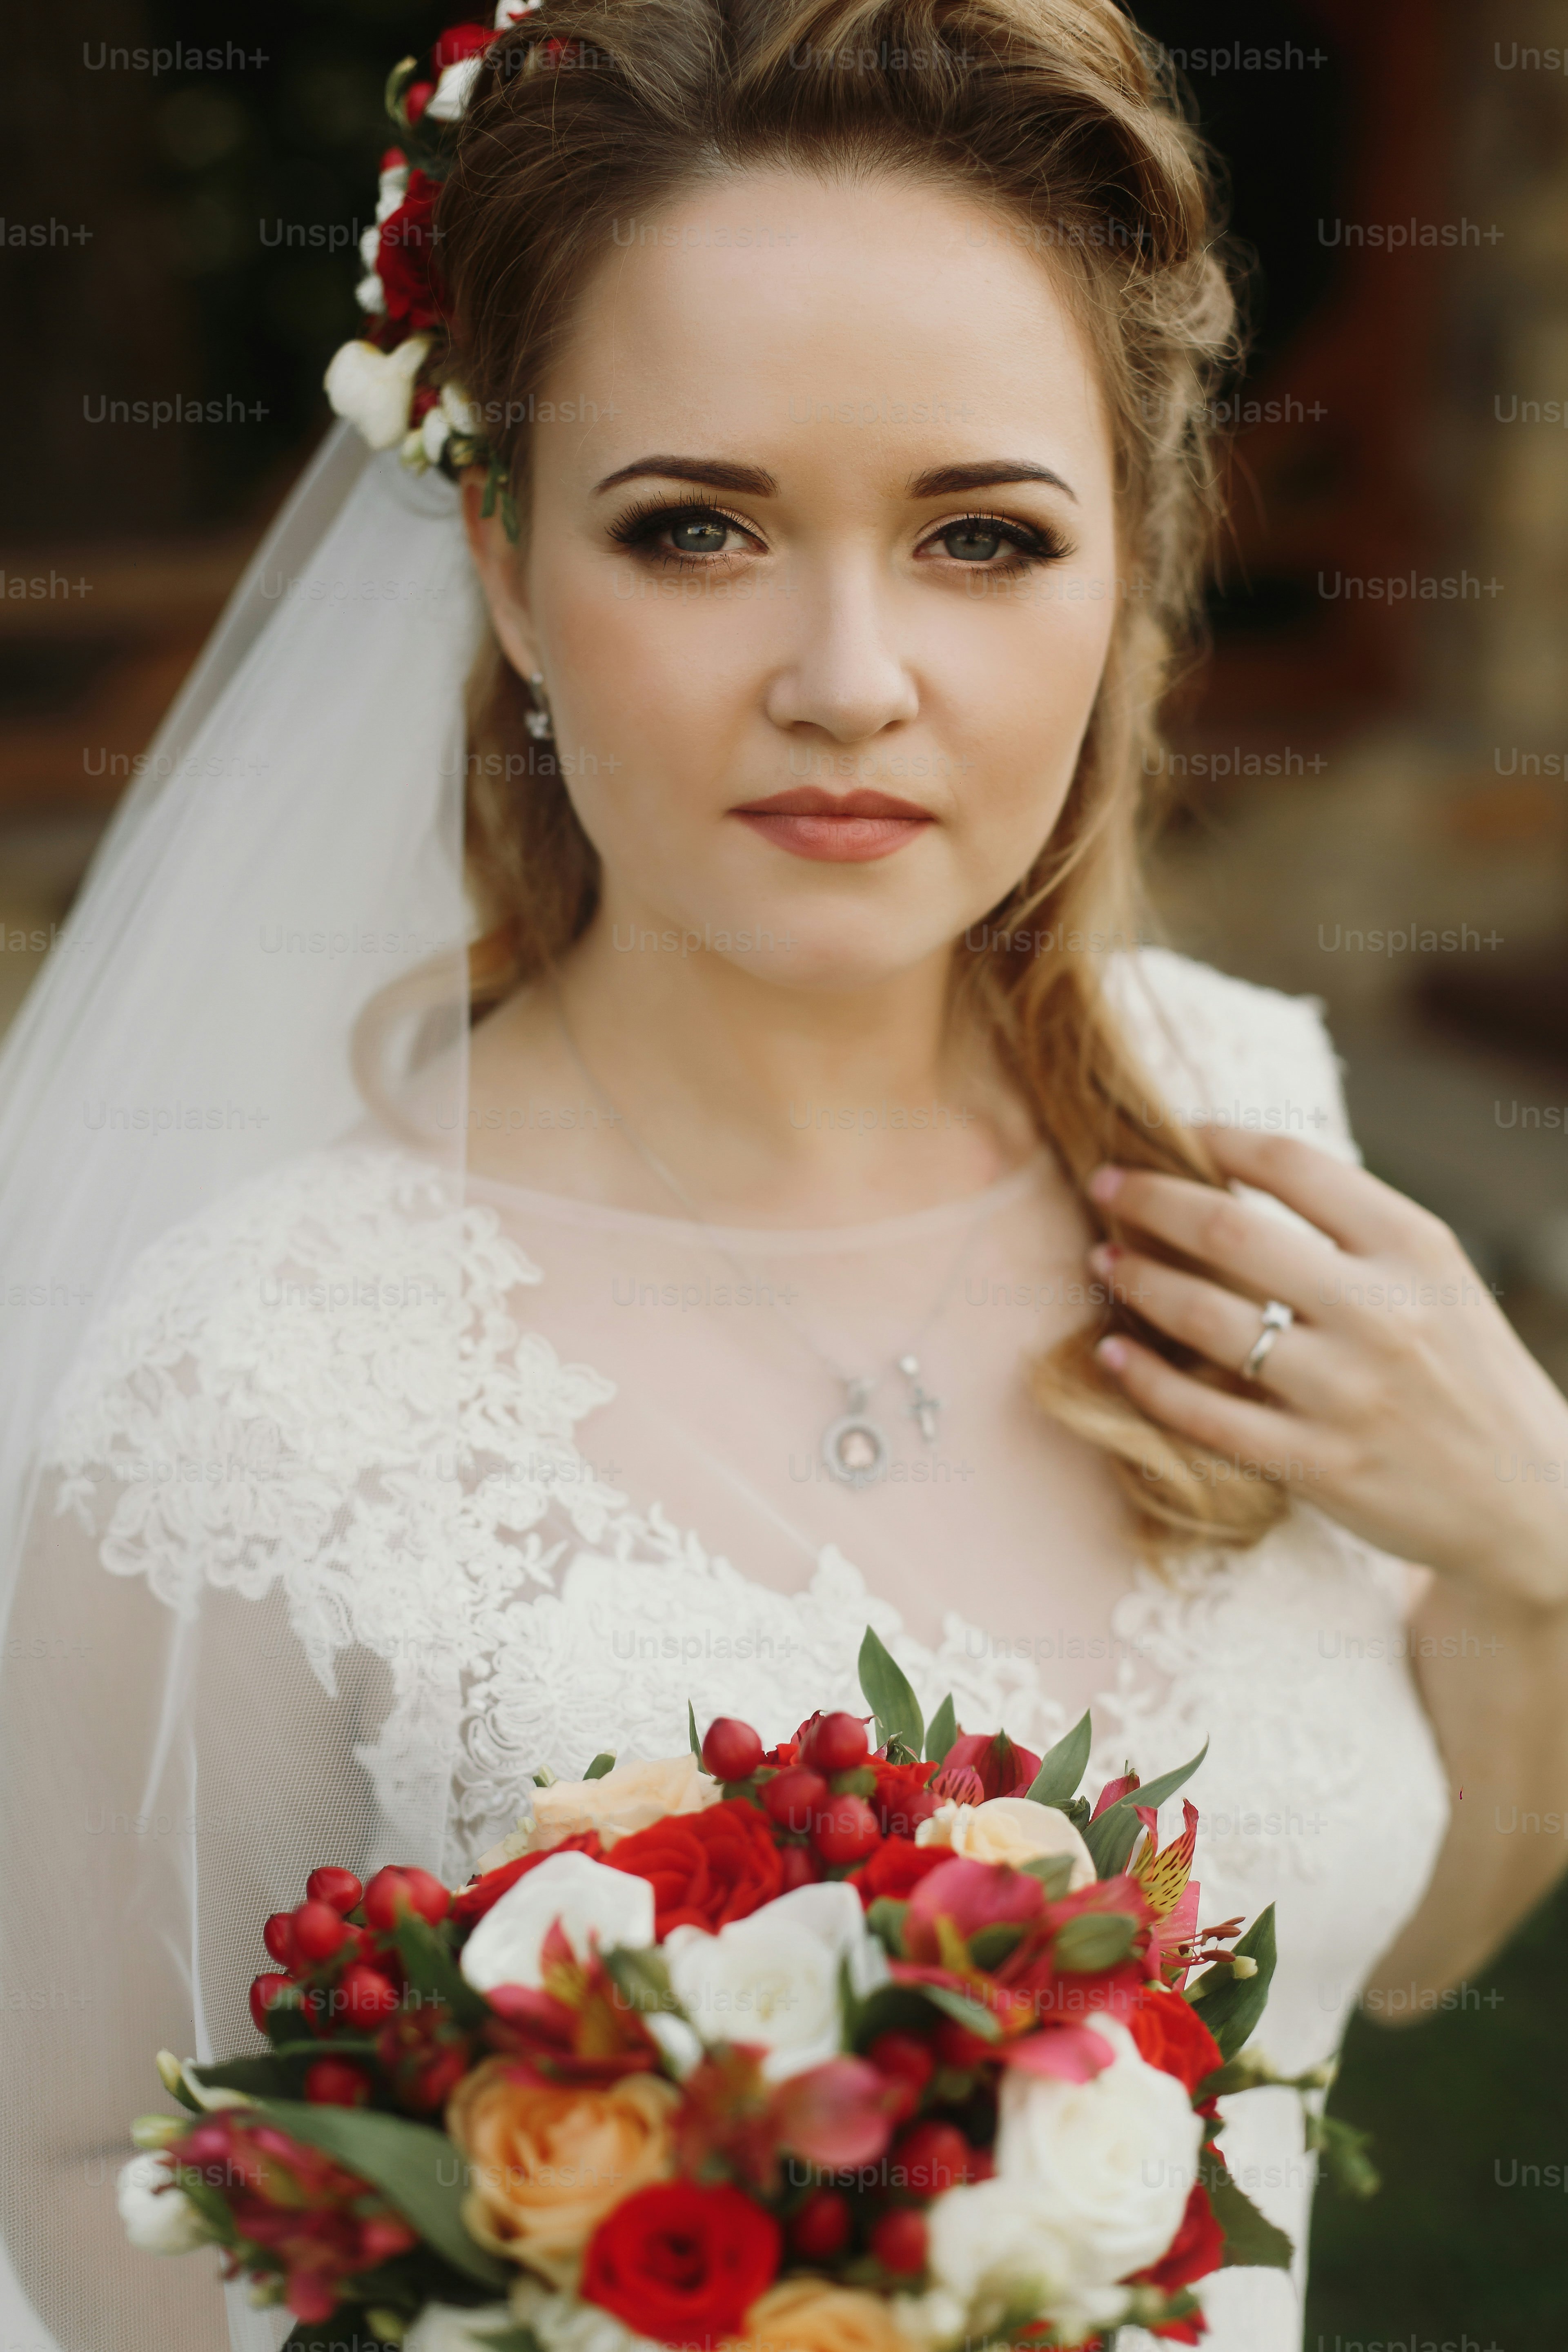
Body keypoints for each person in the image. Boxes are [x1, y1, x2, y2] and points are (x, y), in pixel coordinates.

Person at [0, 4, 1565, 2349]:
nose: (850, 676)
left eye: (980, 536)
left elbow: (1392, 1954)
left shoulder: (1258, 1136)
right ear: (514, 573)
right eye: (697, 528)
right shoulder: (258, 1380)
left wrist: (1527, 1534)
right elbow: (72, 2161)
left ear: (1127, 572)